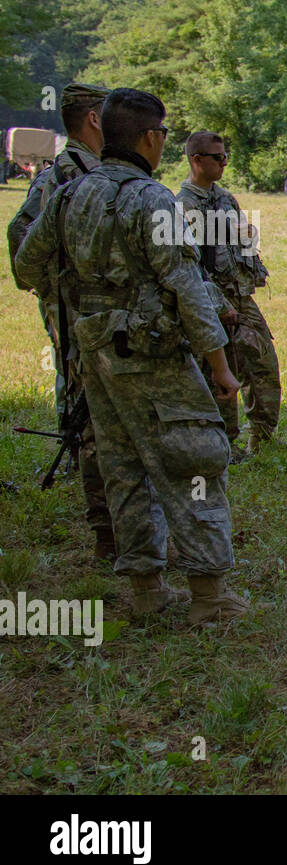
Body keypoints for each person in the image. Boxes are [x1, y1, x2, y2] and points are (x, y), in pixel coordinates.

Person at [16, 88, 247, 624]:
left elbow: (28, 267)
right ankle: (209, 598)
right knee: (196, 460)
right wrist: (220, 368)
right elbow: (187, 288)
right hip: (154, 355)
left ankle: (146, 589)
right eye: (163, 134)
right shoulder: (153, 200)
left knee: (123, 468)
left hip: (95, 356)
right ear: (150, 137)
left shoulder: (69, 195)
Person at [7, 83, 115, 560]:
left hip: (83, 302)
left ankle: (84, 460)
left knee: (80, 378)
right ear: (94, 119)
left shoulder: (88, 168)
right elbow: (21, 231)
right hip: (75, 302)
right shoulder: (70, 171)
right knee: (80, 380)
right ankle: (84, 465)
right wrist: (51, 285)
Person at [178, 131, 281, 456]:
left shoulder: (225, 199)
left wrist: (248, 237)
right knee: (218, 372)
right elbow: (187, 266)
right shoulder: (182, 206)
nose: (224, 163)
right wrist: (218, 305)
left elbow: (241, 246)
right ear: (197, 160)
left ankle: (263, 436)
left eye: (226, 157)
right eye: (217, 157)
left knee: (263, 362)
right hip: (207, 302)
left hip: (240, 296)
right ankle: (227, 444)